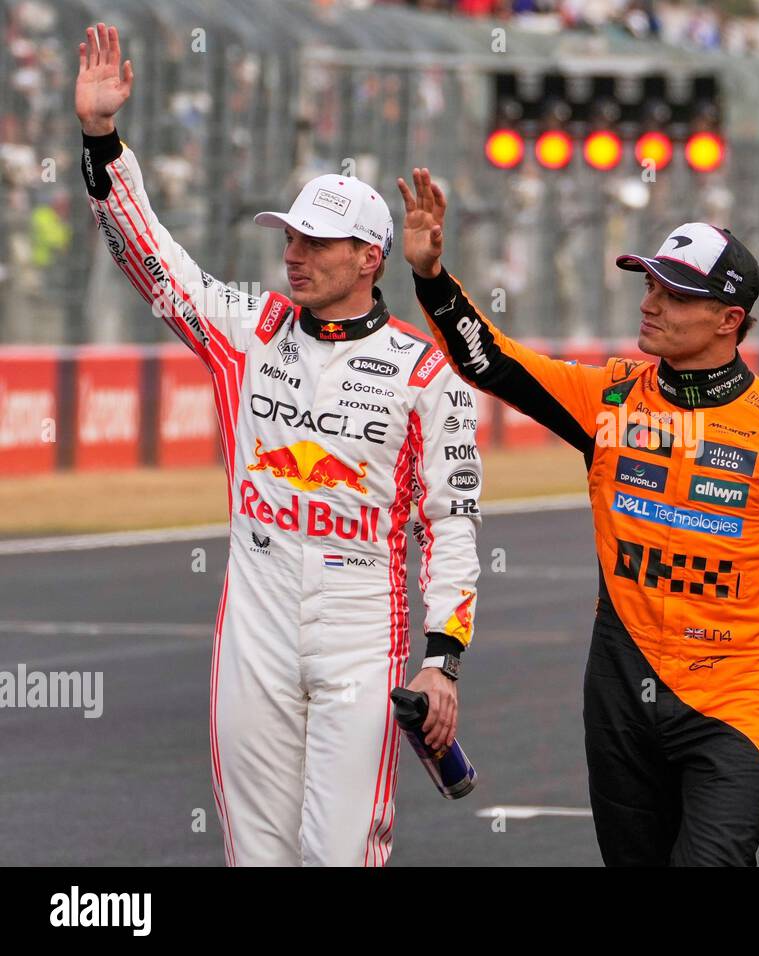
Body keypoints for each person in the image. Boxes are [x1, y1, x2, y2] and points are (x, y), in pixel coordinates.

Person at [76, 23, 481, 866]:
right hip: (252, 624)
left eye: (315, 242)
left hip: (361, 630)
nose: (293, 255)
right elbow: (152, 260)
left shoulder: (422, 372)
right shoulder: (248, 330)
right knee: (255, 852)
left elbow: (452, 524)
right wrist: (101, 140)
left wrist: (442, 659)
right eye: (288, 237)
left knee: (340, 854)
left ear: (369, 257)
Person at [398, 168, 759, 866]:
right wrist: (433, 275)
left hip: (730, 705)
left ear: (729, 319)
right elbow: (492, 362)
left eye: (673, 293)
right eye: (647, 285)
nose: (649, 303)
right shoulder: (609, 395)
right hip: (618, 697)